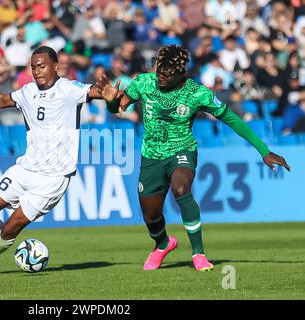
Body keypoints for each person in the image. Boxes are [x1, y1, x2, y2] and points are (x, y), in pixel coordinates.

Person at [103, 45, 291, 272]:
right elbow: (119, 106)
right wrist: (111, 101)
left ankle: (198, 254)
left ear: (181, 73)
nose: (161, 76)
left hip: (182, 150)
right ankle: (163, 244)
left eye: (168, 72)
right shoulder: (144, 82)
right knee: (151, 216)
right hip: (151, 156)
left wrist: (264, 150)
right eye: (160, 69)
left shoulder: (197, 93)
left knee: (181, 188)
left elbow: (232, 119)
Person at [0, 46, 113, 276]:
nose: (37, 71)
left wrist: (108, 93)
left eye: (41, 66)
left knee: (15, 222)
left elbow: (96, 92)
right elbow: (2, 100)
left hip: (53, 177)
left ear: (55, 66)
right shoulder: (27, 92)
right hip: (25, 169)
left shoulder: (69, 89)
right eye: (33, 67)